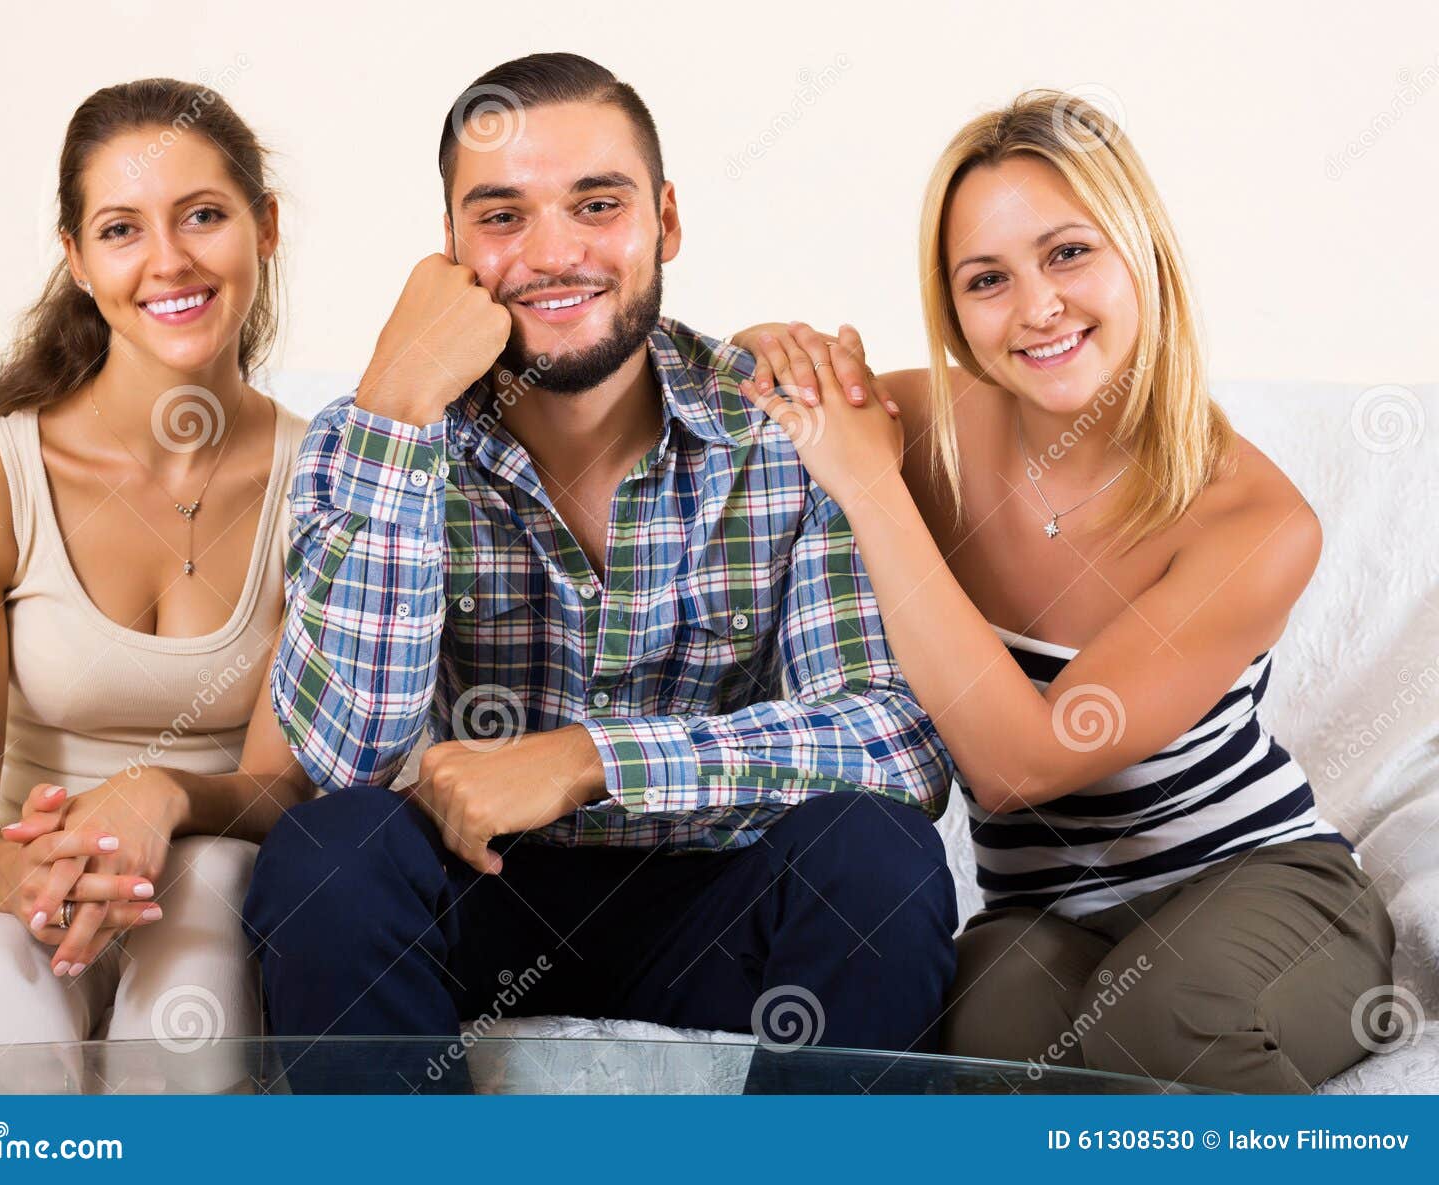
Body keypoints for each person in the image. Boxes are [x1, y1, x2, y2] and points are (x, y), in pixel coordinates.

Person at [242, 53, 958, 1089]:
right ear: (450, 250)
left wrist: (589, 758)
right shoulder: (373, 438)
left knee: (878, 858)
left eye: (596, 203)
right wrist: (398, 404)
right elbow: (339, 756)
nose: (554, 252)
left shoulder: (781, 425)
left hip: (717, 905)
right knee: (328, 858)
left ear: (664, 222)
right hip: (477, 901)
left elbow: (894, 744)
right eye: (502, 216)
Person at [732, 90, 1395, 1093]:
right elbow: (731, 381)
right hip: (1038, 916)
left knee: (1172, 1021)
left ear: (1142, 253)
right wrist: (770, 346)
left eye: (1068, 253)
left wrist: (868, 485)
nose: (1036, 307)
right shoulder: (929, 423)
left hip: (1261, 883)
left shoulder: (1254, 523)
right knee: (988, 1048)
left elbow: (1020, 765)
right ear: (952, 308)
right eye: (985, 278)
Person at [0, 78, 313, 1087]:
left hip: (215, 854)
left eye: (203, 217)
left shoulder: (324, 479)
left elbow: (281, 784)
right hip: (10, 876)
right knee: (5, 976)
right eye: (122, 230)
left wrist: (155, 793)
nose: (168, 262)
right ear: (77, 260)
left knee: (199, 951)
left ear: (262, 229)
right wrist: (30, 875)